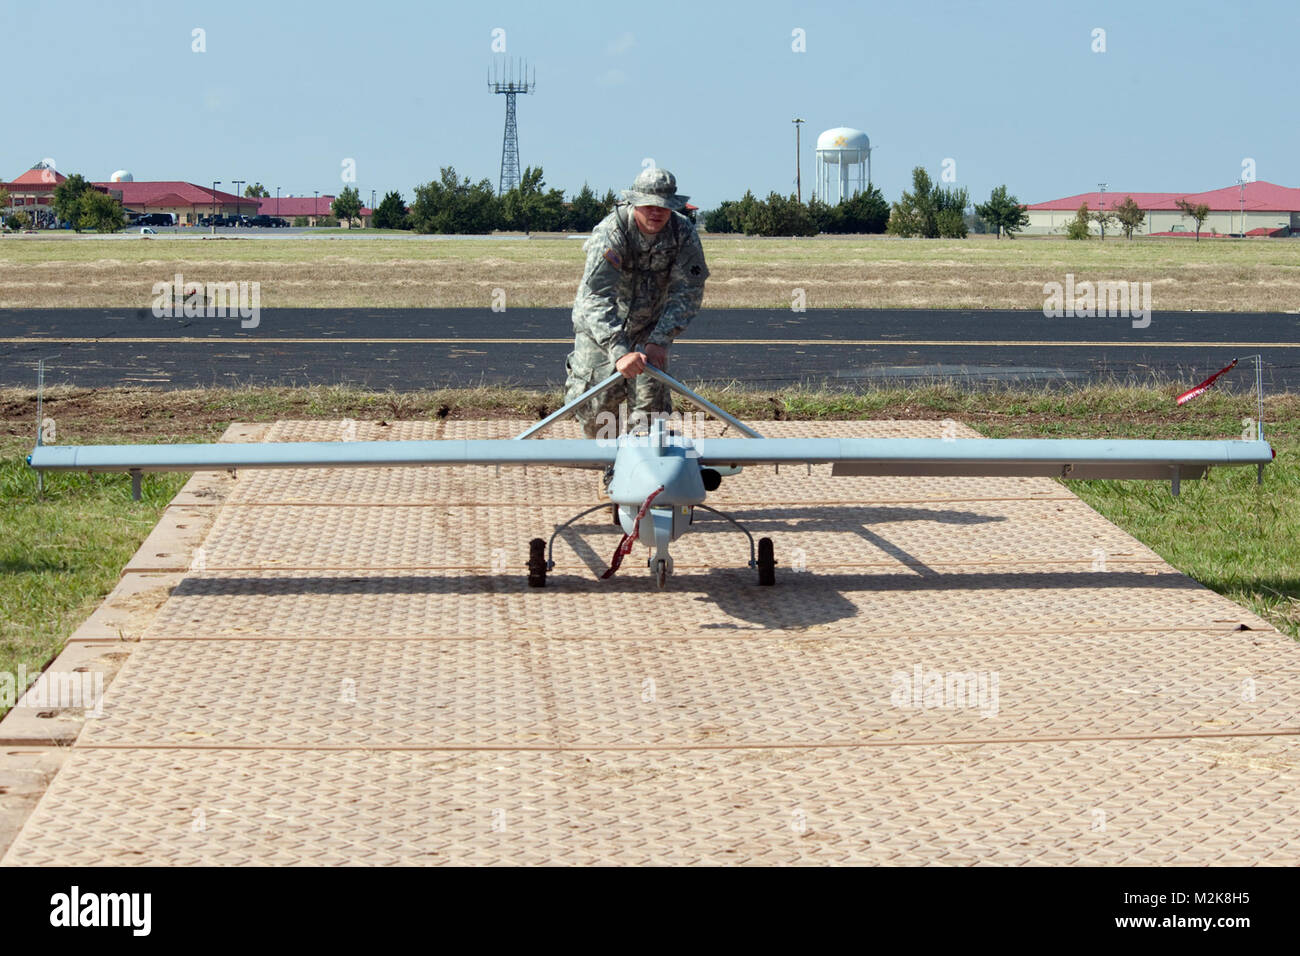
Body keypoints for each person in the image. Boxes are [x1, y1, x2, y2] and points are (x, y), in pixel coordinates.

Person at [564, 167, 709, 442]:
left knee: (650, 411)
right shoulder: (611, 233)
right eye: (649, 205)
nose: (657, 212)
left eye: (665, 207)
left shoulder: (683, 233)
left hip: (649, 329)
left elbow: (688, 291)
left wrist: (660, 339)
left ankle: (644, 467)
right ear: (634, 202)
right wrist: (618, 352)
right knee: (598, 408)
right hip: (601, 330)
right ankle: (607, 464)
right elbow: (595, 297)